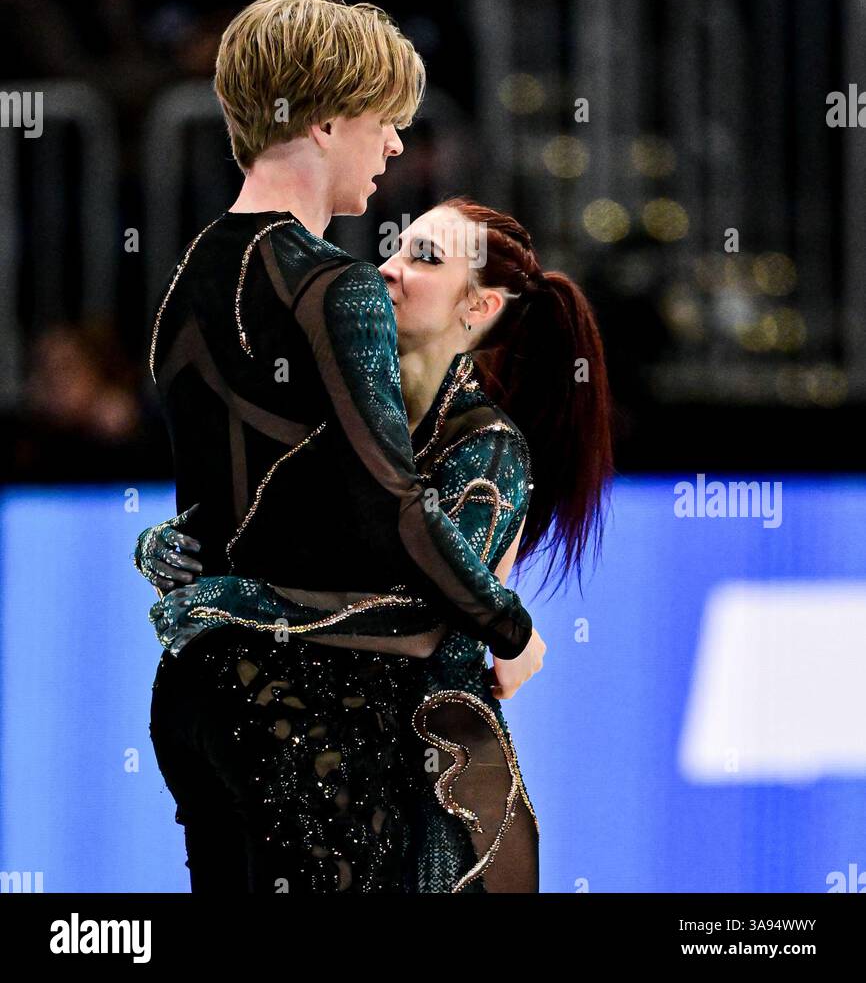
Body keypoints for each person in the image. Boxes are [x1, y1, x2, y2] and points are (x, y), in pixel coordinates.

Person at [136, 0, 546, 894]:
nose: (396, 145)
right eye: (383, 121)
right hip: (309, 705)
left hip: (194, 694)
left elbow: (204, 526)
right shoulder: (334, 287)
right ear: (324, 121)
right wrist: (509, 628)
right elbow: (388, 501)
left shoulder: (188, 279)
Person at [144, 196, 614, 891]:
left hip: (440, 794)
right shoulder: (345, 416)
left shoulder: (488, 450)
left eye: (423, 259)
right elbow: (271, 539)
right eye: (394, 249)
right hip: (333, 765)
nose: (386, 269)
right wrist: (167, 547)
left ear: (477, 308)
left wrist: (243, 606)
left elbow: (426, 620)